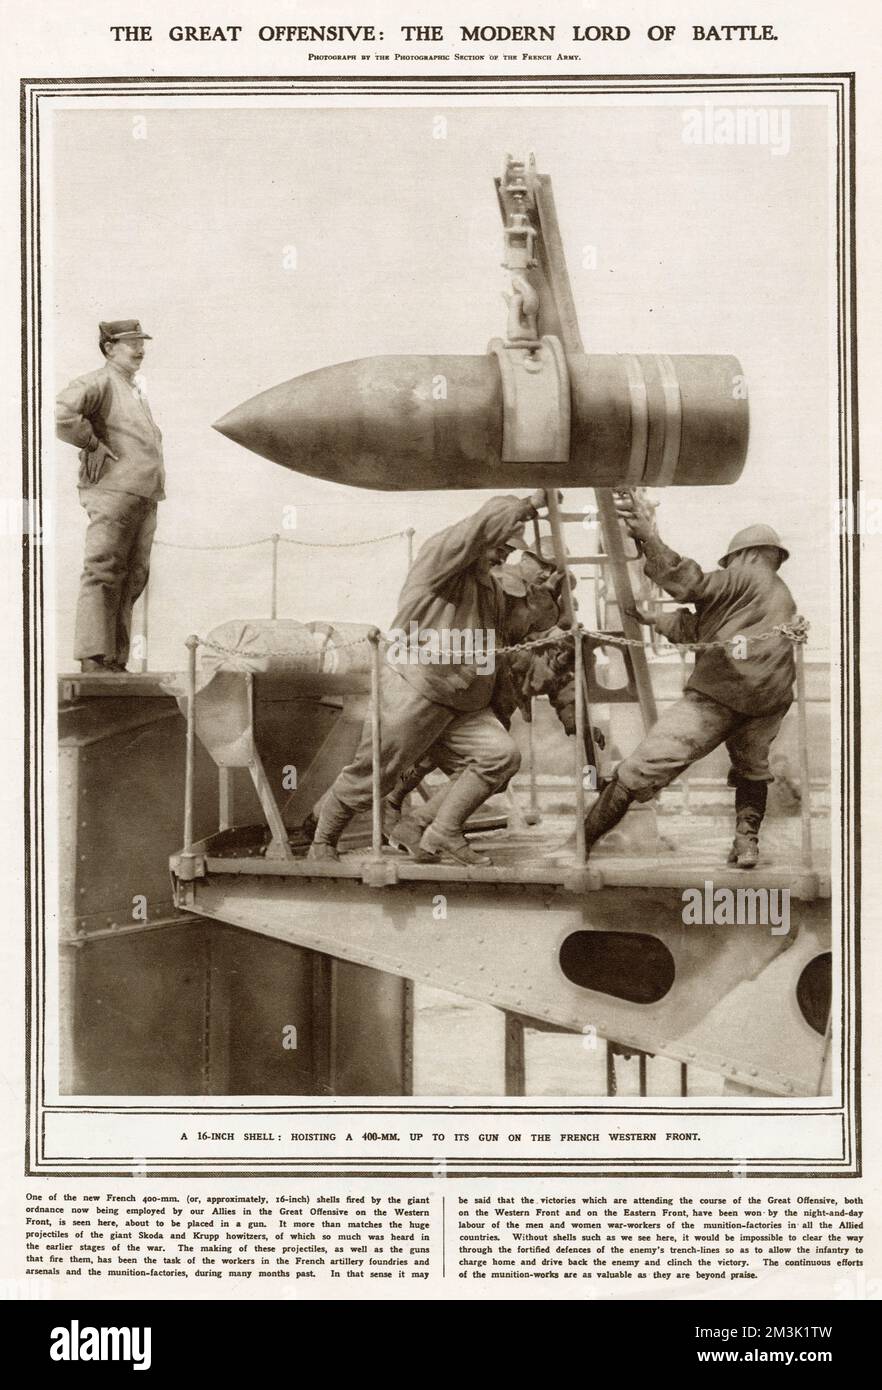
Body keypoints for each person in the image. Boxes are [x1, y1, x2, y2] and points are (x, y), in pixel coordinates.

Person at [307, 491, 550, 866]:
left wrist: (540, 605)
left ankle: (442, 832)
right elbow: (476, 528)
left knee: (500, 757)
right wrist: (528, 506)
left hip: (463, 702)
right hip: (414, 689)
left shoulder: (491, 589)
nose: (505, 554)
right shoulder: (439, 562)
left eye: (509, 550)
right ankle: (323, 841)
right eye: (500, 545)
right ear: (481, 538)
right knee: (373, 771)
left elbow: (503, 641)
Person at [583, 491, 798, 869]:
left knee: (640, 768)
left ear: (743, 555)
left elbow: (690, 584)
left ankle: (581, 840)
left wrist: (647, 537)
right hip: (770, 698)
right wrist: (651, 619)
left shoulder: (744, 576)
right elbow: (698, 627)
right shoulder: (777, 594)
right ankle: (746, 845)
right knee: (753, 769)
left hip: (721, 692)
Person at [56, 320, 164, 672]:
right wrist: (91, 443)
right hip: (114, 492)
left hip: (142, 494)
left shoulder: (132, 388)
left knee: (133, 575)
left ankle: (113, 659)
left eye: (141, 342)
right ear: (108, 348)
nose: (139, 349)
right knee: (103, 569)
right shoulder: (98, 381)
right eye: (130, 342)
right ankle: (93, 657)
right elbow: (61, 414)